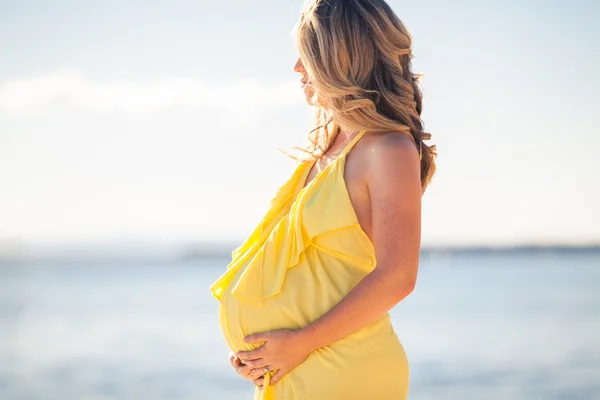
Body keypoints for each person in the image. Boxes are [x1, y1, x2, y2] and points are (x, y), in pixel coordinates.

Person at [210, 0, 436, 398]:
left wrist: (298, 343)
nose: (297, 69)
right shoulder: (332, 146)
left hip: (345, 373)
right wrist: (261, 357)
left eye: (306, 56)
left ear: (338, 59)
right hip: (302, 370)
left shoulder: (388, 149)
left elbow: (398, 277)